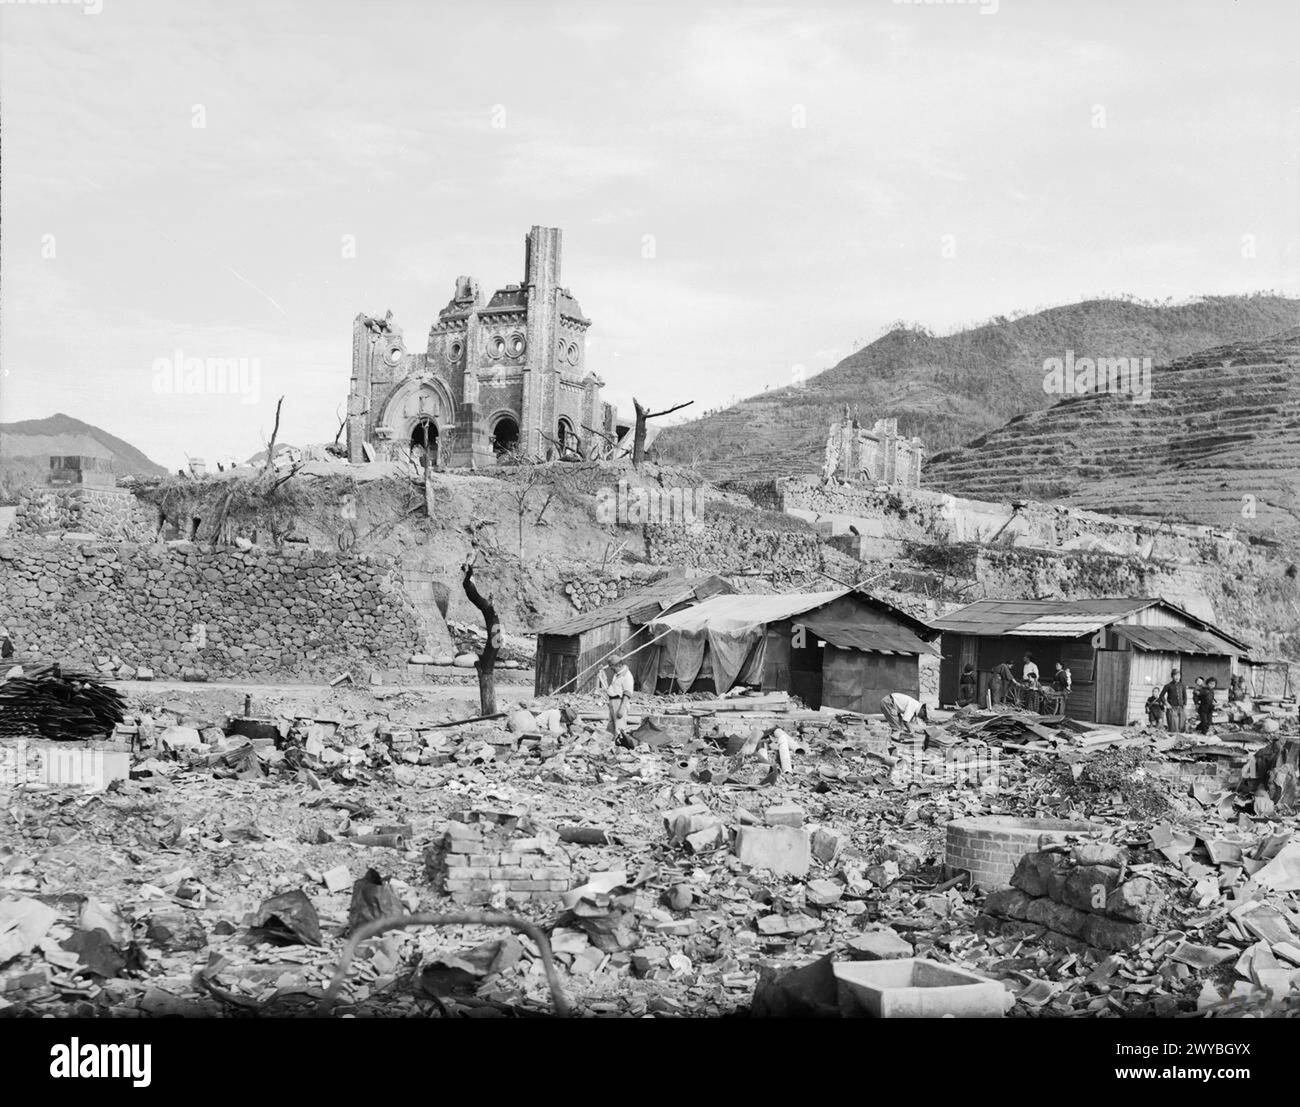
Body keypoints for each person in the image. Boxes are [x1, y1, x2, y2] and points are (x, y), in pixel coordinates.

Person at [600, 654, 635, 743]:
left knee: (619, 727)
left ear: (619, 665)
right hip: (613, 702)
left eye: (613, 668)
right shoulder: (618, 673)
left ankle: (621, 747)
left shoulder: (627, 676)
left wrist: (622, 709)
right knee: (611, 726)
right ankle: (609, 745)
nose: (612, 670)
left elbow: (627, 693)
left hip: (619, 703)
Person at [1160, 668, 1187, 734]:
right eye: (1175, 675)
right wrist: (1166, 704)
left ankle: (1180, 740)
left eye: (1178, 675)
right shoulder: (1168, 686)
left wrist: (1184, 704)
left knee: (1182, 725)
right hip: (1172, 708)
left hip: (1181, 707)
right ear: (1172, 676)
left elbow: (1185, 696)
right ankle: (1172, 739)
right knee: (1173, 726)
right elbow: (1161, 696)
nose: (1177, 677)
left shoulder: (1182, 685)